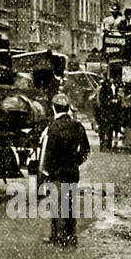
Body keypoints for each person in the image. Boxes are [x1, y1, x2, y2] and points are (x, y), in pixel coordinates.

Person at [37, 93, 91, 246]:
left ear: (54, 108)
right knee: (70, 204)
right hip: (72, 172)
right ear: (67, 108)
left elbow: (47, 153)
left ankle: (58, 237)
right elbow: (85, 150)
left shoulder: (52, 128)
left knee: (58, 204)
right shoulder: (78, 126)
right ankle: (71, 236)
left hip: (57, 172)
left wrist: (46, 171)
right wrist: (76, 161)